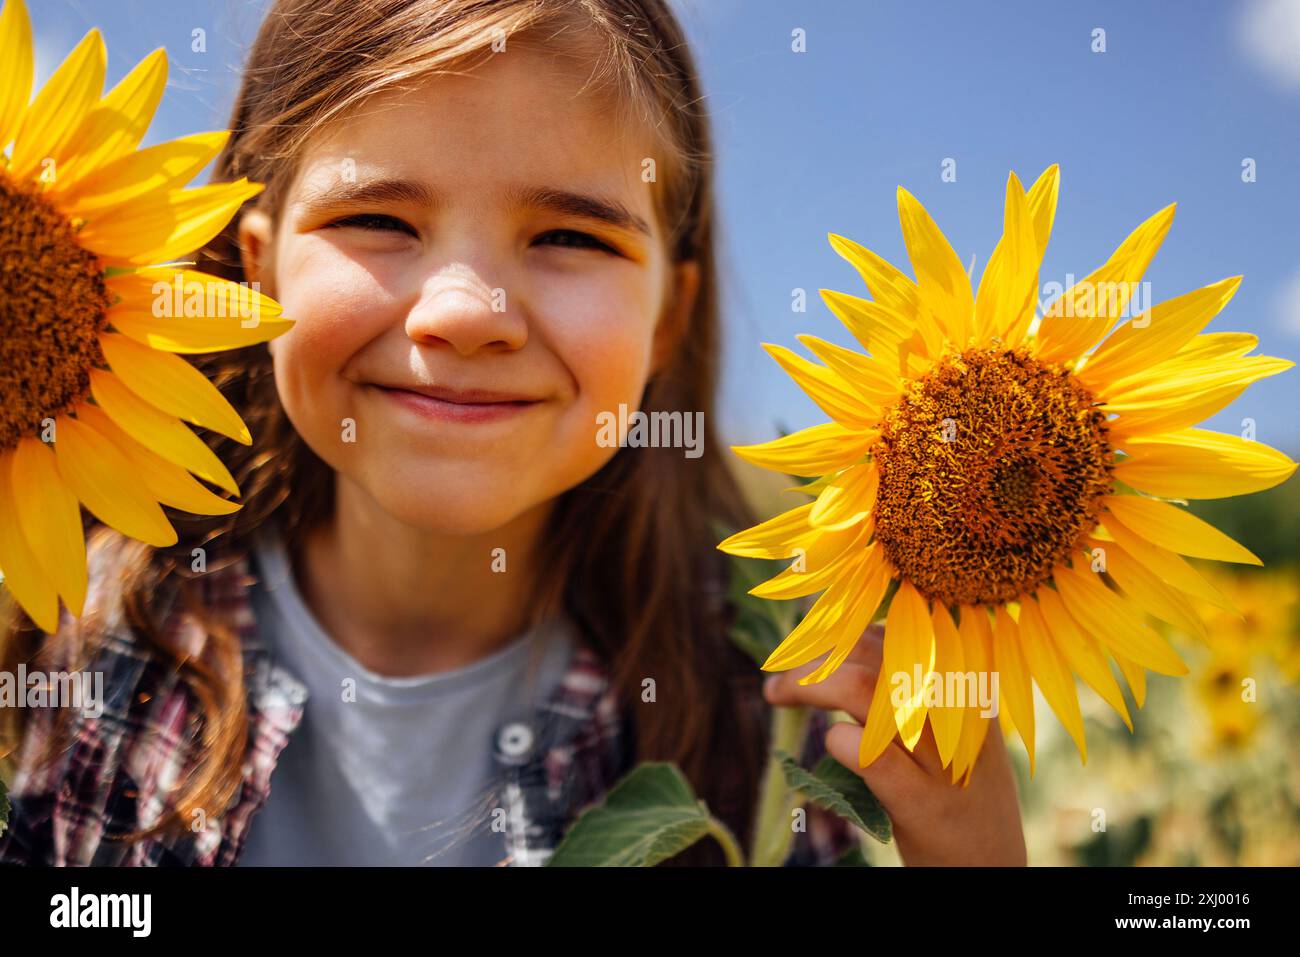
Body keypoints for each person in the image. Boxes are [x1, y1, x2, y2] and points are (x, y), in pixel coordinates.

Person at [0, 0, 1025, 866]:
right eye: (378, 221)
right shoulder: (78, 645)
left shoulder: (773, 728)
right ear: (255, 271)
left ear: (667, 319)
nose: (464, 311)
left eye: (569, 237)